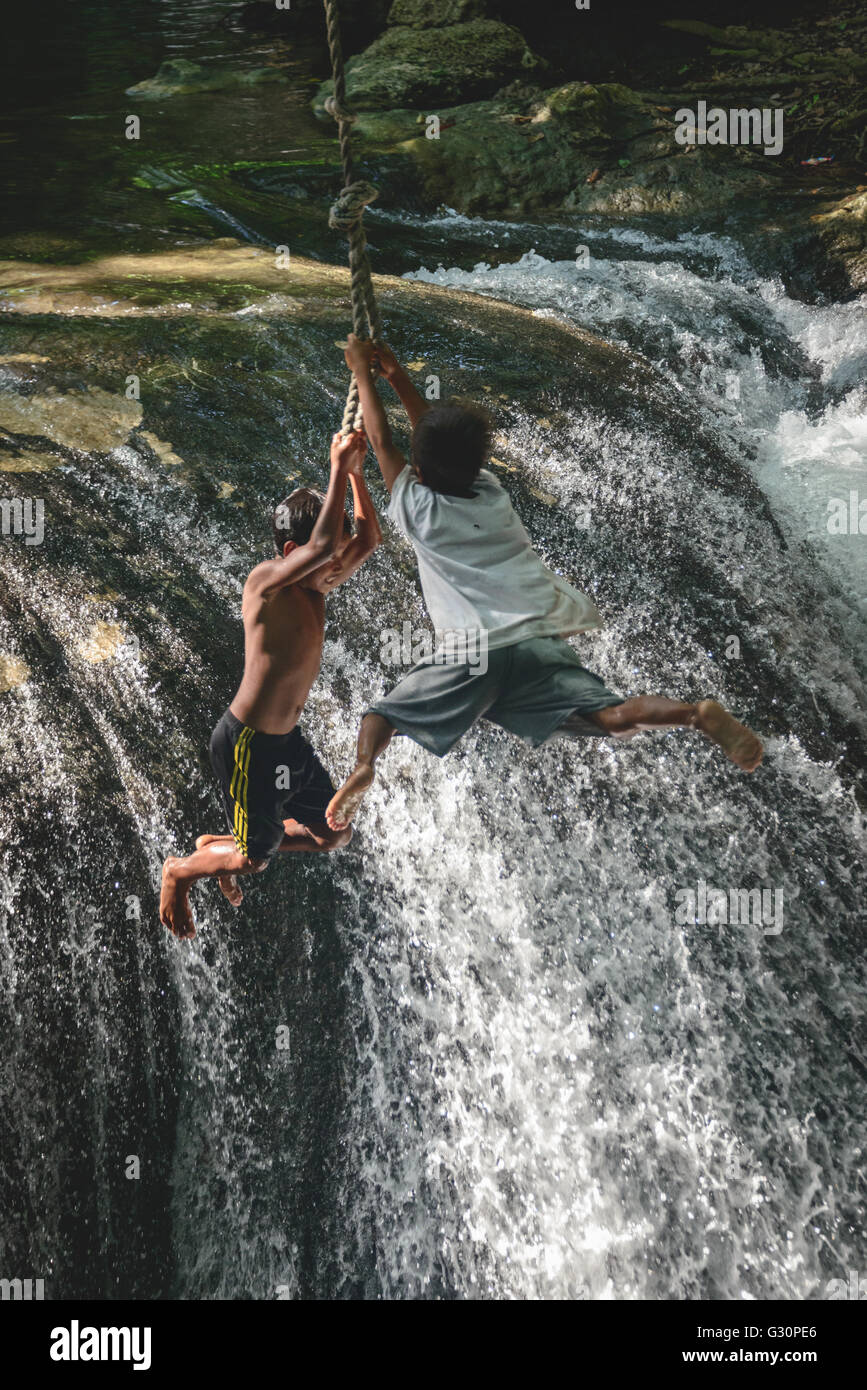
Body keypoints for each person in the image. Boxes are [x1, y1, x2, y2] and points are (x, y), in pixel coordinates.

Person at [325, 336, 763, 831]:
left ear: (419, 469)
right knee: (611, 716)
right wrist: (396, 375)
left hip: (474, 650)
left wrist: (364, 372)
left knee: (381, 717)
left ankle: (364, 766)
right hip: (536, 641)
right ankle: (694, 713)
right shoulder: (491, 492)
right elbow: (433, 443)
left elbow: (382, 441)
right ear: (475, 464)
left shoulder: (416, 509)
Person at [160, 428, 381, 939]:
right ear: (290, 551)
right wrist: (335, 466)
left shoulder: (315, 581)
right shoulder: (266, 583)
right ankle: (180, 871)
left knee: (333, 833)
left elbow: (366, 538)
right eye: (326, 556)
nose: (335, 563)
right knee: (252, 862)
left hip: (286, 745)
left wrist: (355, 474)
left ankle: (226, 843)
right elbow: (326, 542)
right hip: (249, 746)